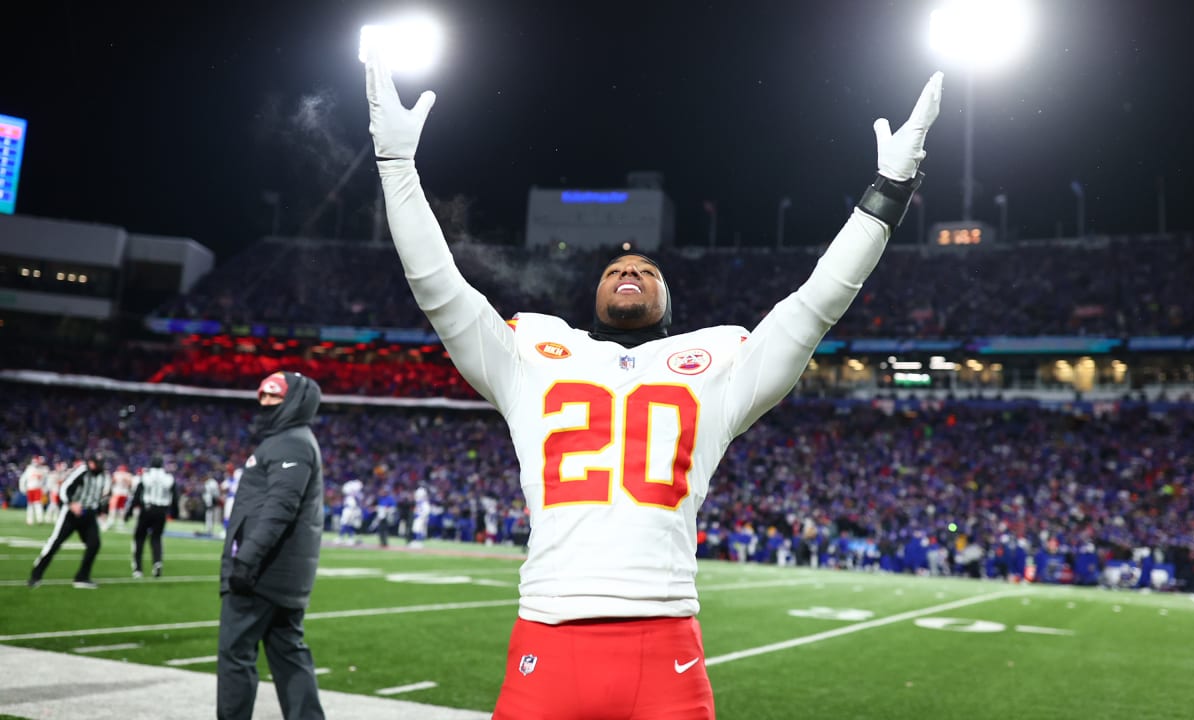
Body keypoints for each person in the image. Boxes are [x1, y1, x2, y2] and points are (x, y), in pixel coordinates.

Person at [366, 46, 943, 719]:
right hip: (547, 638)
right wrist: (396, 168)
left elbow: (818, 303)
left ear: (669, 300)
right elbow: (439, 288)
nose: (628, 270)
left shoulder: (717, 365)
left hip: (667, 643)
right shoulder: (533, 356)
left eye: (646, 268)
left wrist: (890, 191)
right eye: (614, 269)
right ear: (594, 296)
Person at [216, 371, 326, 720]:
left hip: (264, 573)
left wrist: (245, 561)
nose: (264, 403)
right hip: (283, 574)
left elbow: (280, 508)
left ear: (292, 400)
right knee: (289, 657)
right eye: (262, 396)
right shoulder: (292, 440)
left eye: (273, 397)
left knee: (236, 655)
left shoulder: (290, 443)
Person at [29, 453, 112, 589]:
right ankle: (36, 575)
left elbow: (103, 496)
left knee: (94, 544)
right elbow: (64, 489)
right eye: (95, 463)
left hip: (89, 514)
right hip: (71, 514)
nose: (96, 466)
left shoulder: (104, 476)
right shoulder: (81, 472)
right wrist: (71, 503)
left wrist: (102, 511)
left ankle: (82, 577)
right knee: (55, 543)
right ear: (90, 462)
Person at [129, 454, 175, 579]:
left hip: (147, 509)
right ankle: (157, 562)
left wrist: (129, 511)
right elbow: (174, 496)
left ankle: (138, 569)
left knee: (139, 538)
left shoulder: (146, 476)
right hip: (161, 511)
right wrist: (174, 513)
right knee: (156, 538)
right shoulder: (168, 477)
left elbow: (137, 495)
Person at [18, 455, 48, 525]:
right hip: (31, 489)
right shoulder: (29, 469)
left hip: (37, 489)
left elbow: (46, 481)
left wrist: (45, 489)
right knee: (31, 505)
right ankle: (30, 520)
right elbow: (23, 479)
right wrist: (22, 488)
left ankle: (39, 519)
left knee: (37, 504)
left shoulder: (43, 469)